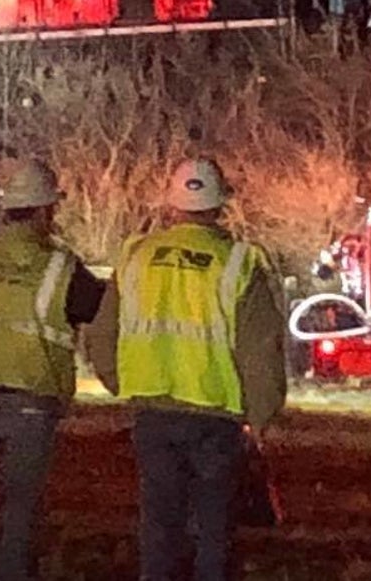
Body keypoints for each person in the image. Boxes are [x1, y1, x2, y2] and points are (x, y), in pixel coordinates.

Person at [84, 157, 288, 581]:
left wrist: (121, 380)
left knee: (159, 527)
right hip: (216, 417)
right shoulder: (237, 263)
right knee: (214, 531)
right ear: (220, 205)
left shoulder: (138, 255)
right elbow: (260, 349)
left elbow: (102, 334)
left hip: (153, 412)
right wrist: (261, 416)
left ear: (171, 203)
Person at [0, 159, 105, 581]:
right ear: (46, 210)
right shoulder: (62, 267)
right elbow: (96, 310)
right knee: (20, 505)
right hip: (33, 398)